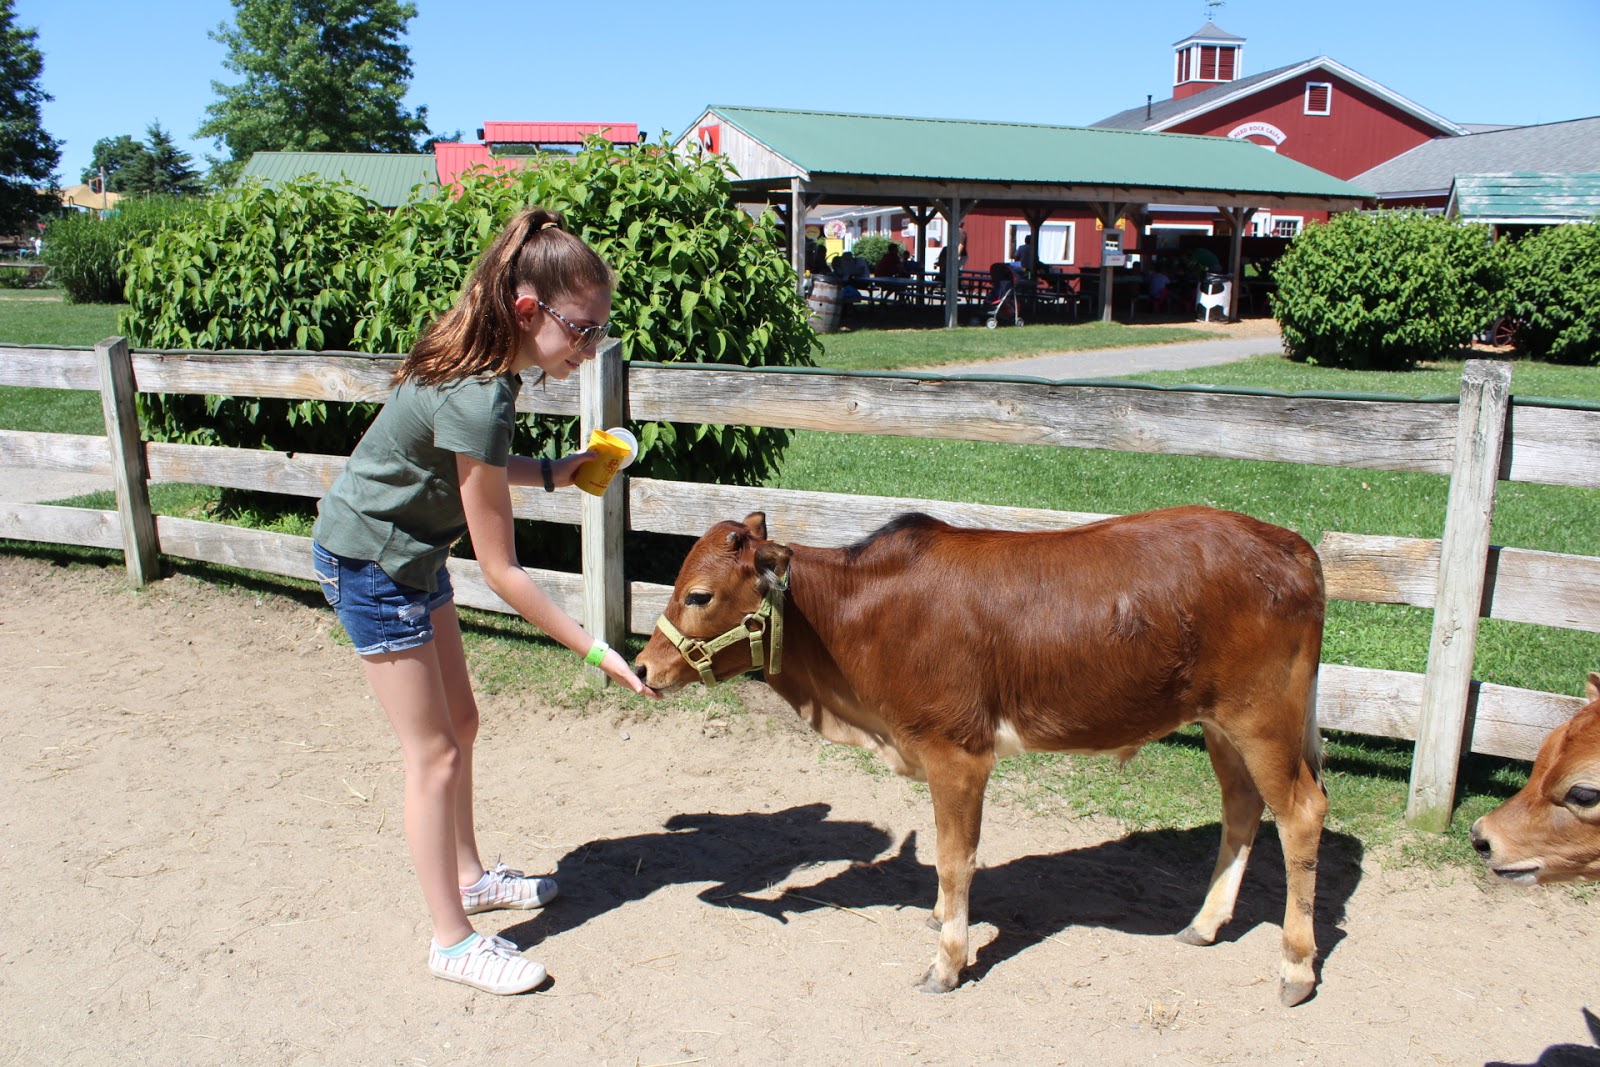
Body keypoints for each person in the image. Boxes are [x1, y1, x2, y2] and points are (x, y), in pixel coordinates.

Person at [311, 206, 659, 996]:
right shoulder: (481, 391)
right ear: (529, 310)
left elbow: (467, 466)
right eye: (583, 330)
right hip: (371, 562)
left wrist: (555, 471)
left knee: (461, 722)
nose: (589, 347)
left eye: (600, 332)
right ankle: (452, 939)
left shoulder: (489, 369)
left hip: (410, 553)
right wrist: (599, 650)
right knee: (431, 753)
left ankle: (468, 877)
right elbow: (502, 571)